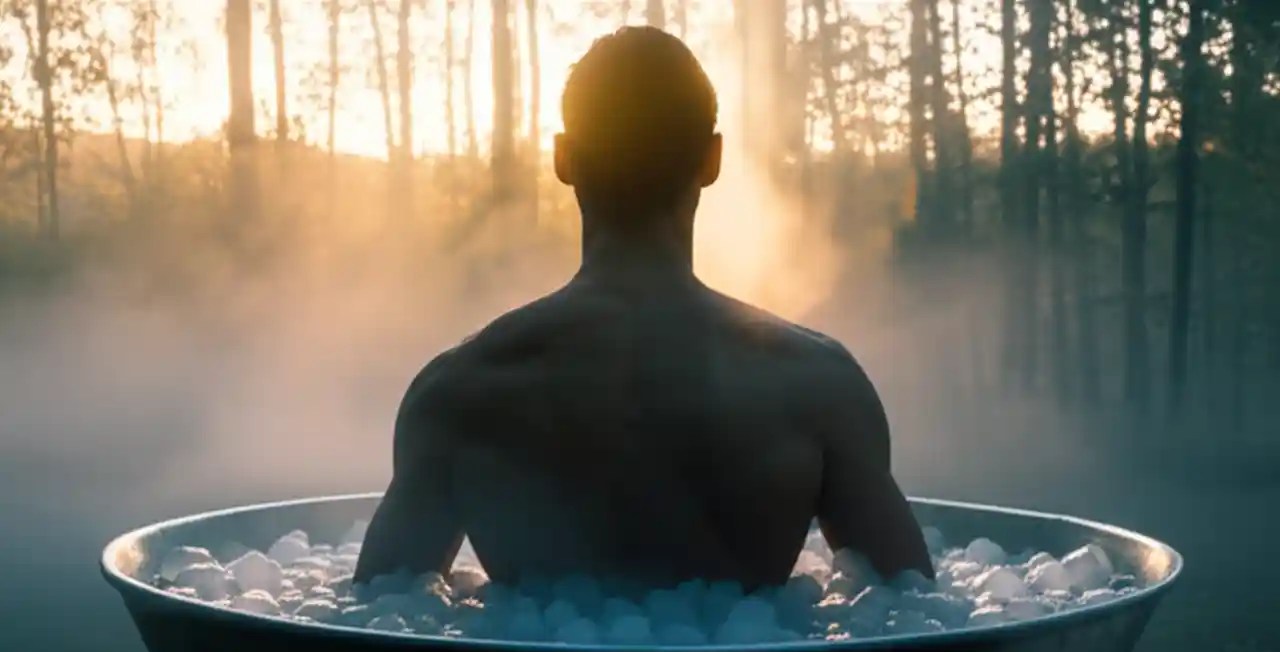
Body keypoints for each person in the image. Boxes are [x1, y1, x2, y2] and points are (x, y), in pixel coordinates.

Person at [354, 27, 932, 593]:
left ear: (563, 159)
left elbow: (376, 632)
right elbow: (916, 620)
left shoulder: (461, 393)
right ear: (712, 159)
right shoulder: (817, 387)